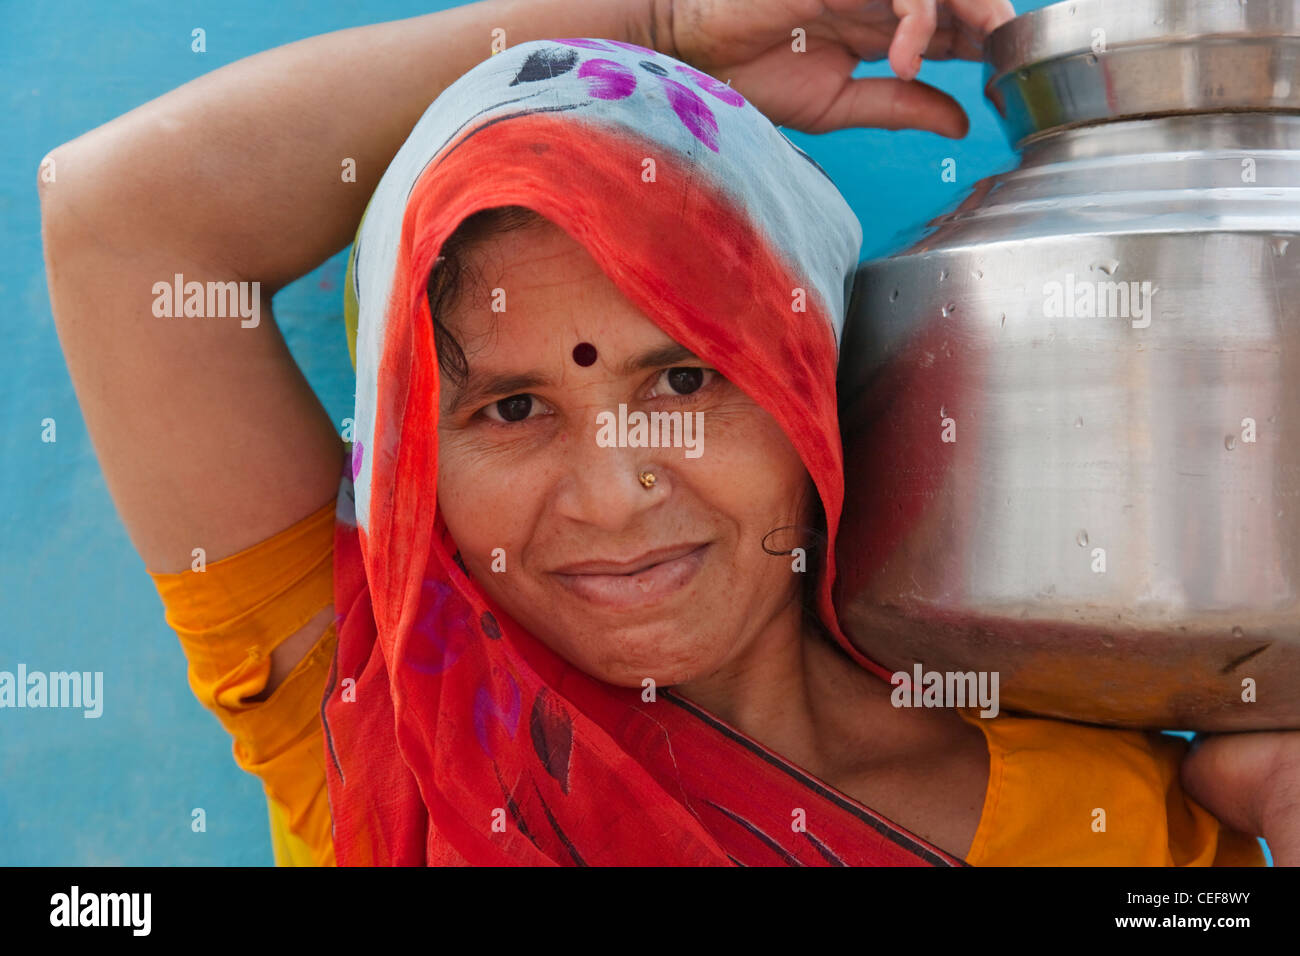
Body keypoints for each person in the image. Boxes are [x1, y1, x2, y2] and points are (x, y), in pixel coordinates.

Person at [39, 0, 1297, 865]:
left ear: (813, 382)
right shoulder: (372, 716)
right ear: (421, 460)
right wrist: (655, 23)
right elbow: (118, 223)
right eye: (511, 408)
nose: (615, 492)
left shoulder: (1112, 809)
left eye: (688, 377)